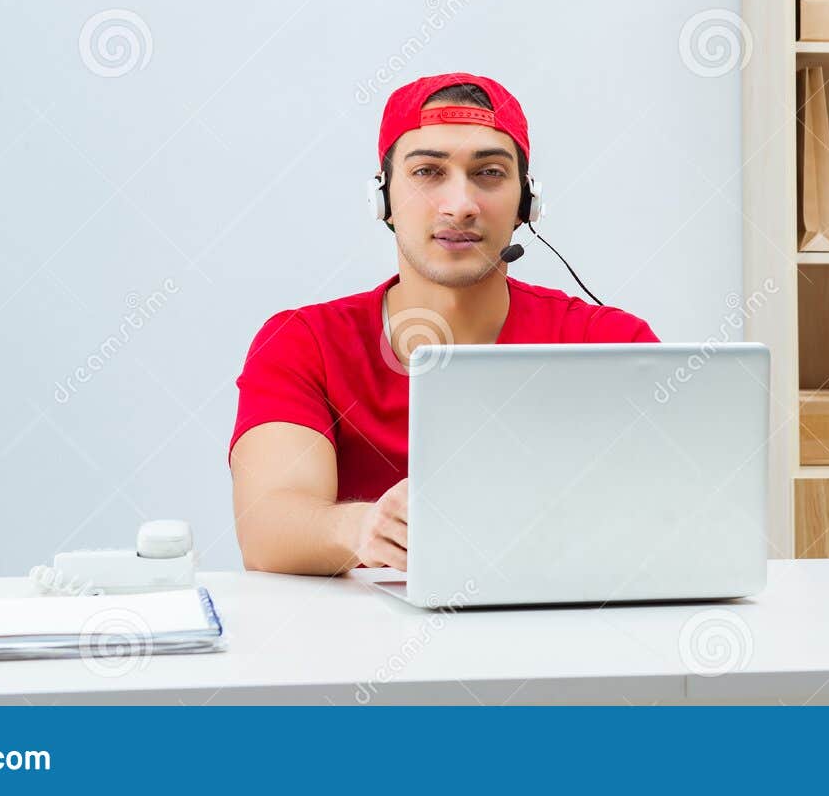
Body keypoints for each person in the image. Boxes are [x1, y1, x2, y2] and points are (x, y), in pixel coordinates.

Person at [228, 72, 660, 575]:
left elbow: (670, 513)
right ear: (383, 200)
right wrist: (361, 529)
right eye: (428, 172)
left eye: (490, 173)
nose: (460, 206)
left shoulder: (610, 344)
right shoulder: (304, 344)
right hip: (358, 646)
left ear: (527, 203)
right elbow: (267, 529)